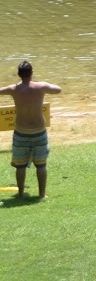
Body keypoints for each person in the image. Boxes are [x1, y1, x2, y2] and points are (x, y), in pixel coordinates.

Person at [3, 61, 62, 199]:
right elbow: (58, 89)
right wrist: (44, 84)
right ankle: (42, 195)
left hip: (21, 132)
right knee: (41, 165)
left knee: (20, 166)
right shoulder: (41, 87)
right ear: (32, 73)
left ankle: (21, 194)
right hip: (39, 131)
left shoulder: (13, 89)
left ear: (18, 74)